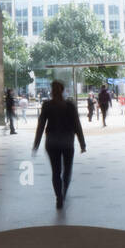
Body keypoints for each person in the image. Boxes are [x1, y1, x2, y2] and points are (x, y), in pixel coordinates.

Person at [32, 80, 86, 208]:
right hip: (67, 142)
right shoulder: (70, 105)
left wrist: (36, 144)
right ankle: (64, 192)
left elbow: (41, 126)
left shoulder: (47, 105)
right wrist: (82, 143)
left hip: (52, 143)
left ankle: (58, 197)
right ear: (62, 90)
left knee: (56, 172)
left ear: (52, 90)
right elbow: (77, 125)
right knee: (67, 170)